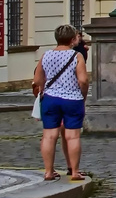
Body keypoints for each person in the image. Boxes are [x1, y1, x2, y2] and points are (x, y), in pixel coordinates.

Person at [33, 24, 88, 182]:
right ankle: (75, 171)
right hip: (72, 99)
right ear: (72, 39)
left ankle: (49, 172)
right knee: (72, 137)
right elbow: (83, 80)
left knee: (49, 136)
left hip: (50, 99)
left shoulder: (46, 55)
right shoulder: (76, 56)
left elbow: (37, 80)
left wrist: (45, 88)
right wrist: (82, 95)